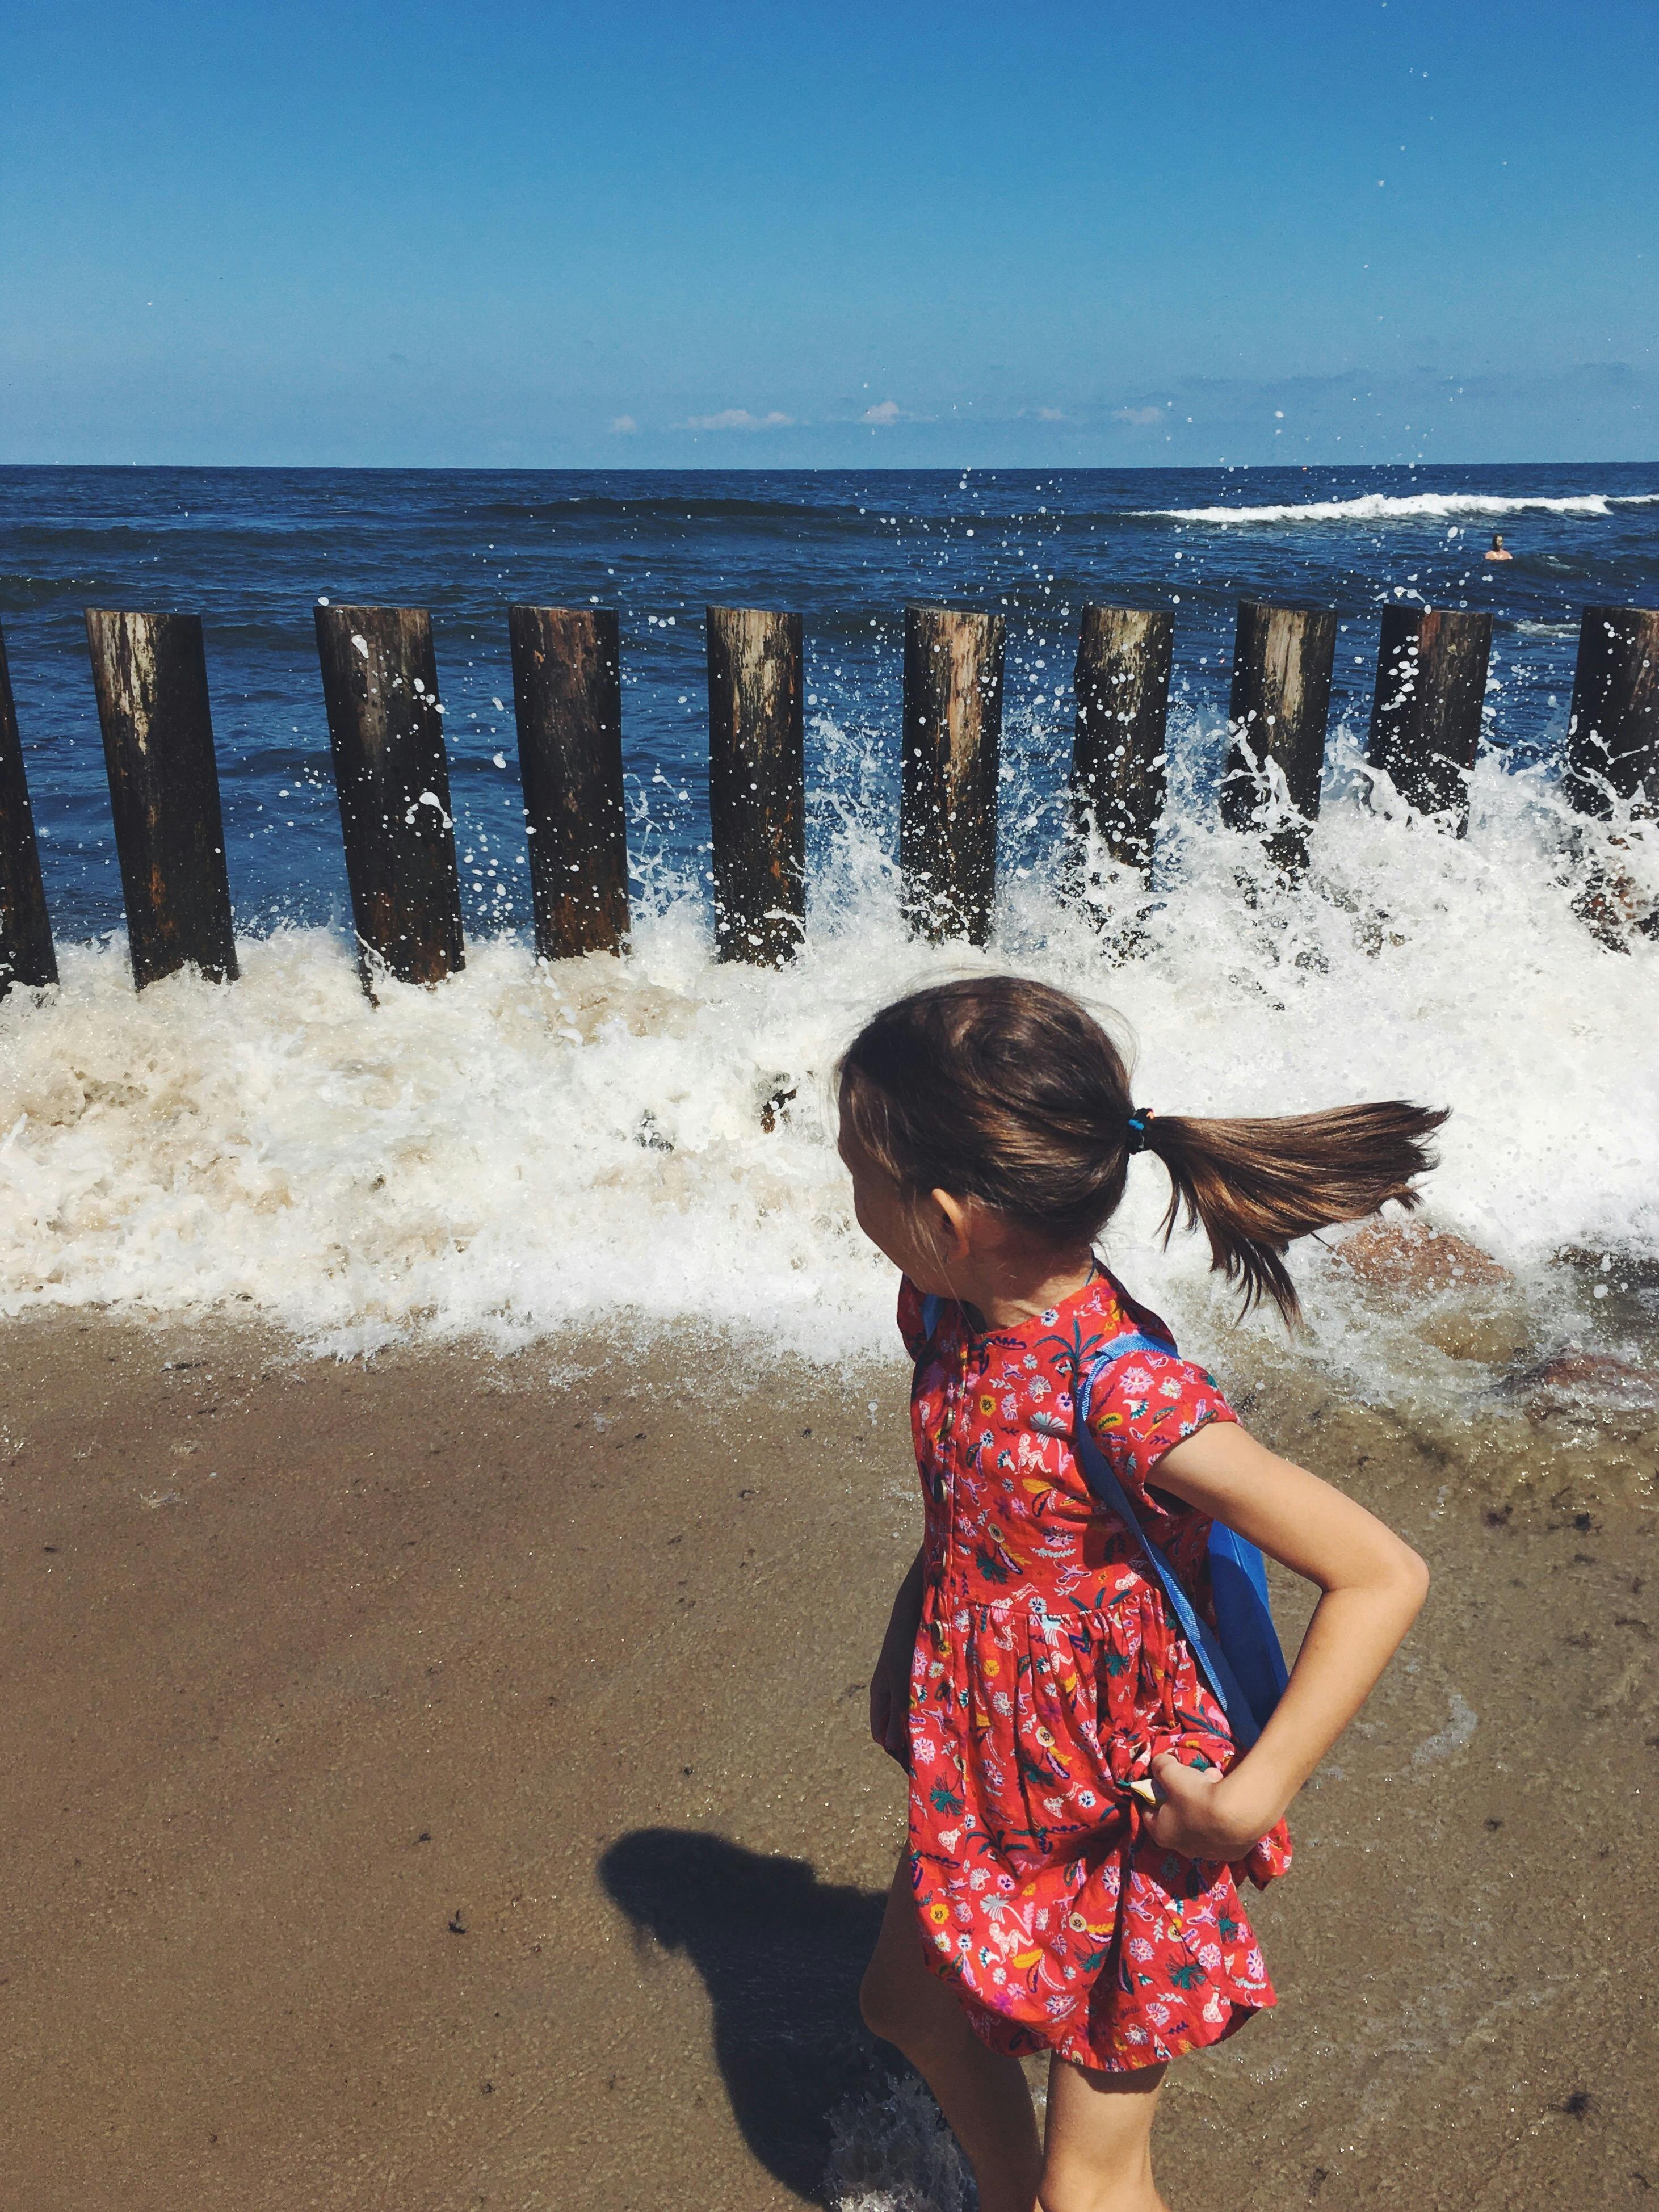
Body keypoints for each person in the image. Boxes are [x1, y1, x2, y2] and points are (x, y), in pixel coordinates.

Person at [839, 977, 1437, 2212]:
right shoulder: (946, 1313)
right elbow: (966, 1510)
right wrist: (916, 1655)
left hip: (1125, 1810)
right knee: (904, 2003)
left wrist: (1243, 1802)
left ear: (949, 1214)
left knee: (1099, 2187)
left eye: (857, 1171)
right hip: (990, 1769)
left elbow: (1381, 1570)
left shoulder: (1123, 1395)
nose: (847, 1199)